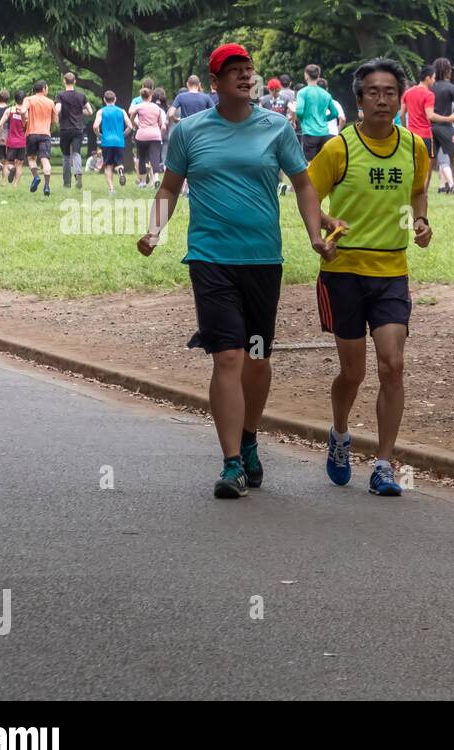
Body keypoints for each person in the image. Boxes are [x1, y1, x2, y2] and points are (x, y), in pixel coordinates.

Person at [137, 43, 331, 499]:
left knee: (258, 357)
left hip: (263, 259)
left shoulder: (277, 127)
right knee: (228, 355)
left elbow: (302, 183)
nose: (245, 76)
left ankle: (248, 439)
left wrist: (314, 233)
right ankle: (230, 465)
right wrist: (153, 232)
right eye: (234, 71)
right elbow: (169, 187)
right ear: (215, 84)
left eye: (249, 69)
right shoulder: (189, 131)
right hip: (210, 259)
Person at [307, 57, 432, 497]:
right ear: (358, 100)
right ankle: (340, 433)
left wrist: (420, 222)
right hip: (343, 273)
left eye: (390, 92)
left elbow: (418, 191)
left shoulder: (415, 147)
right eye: (373, 93)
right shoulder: (340, 148)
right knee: (353, 372)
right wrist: (325, 227)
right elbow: (308, 196)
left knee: (393, 365)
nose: (383, 99)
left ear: (400, 99)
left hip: (391, 272)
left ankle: (384, 464)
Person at [424, 57, 454, 198]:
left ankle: (423, 193)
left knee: (429, 163)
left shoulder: (429, 87)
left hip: (429, 127)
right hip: (445, 126)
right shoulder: (450, 87)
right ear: (447, 70)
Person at [292, 64, 339, 162]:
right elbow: (335, 113)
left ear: (306, 75)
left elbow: (299, 111)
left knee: (309, 164)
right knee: (322, 163)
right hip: (325, 133)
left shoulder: (302, 92)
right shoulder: (326, 94)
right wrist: (324, 119)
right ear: (318, 76)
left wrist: (303, 120)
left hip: (309, 133)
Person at [54, 72, 91, 190]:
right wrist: (80, 112)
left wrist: (54, 114)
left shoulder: (60, 95)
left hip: (65, 128)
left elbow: (58, 109)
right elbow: (90, 111)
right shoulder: (81, 96)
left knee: (66, 156)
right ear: (75, 82)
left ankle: (67, 183)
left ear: (64, 81)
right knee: (76, 153)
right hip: (78, 128)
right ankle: (78, 173)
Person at [21, 80, 56, 196]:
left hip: (31, 133)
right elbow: (55, 120)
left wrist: (24, 121)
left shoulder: (28, 99)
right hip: (45, 134)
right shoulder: (51, 102)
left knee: (31, 158)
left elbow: (22, 111)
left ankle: (36, 177)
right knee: (45, 160)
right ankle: (46, 186)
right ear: (44, 89)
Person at [93, 90, 132, 194]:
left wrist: (99, 135)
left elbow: (95, 126)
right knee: (119, 163)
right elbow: (130, 126)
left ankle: (111, 189)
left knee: (108, 165)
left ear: (104, 100)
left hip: (106, 142)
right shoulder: (122, 111)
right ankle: (120, 171)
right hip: (119, 141)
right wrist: (123, 135)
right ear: (115, 99)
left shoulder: (101, 111)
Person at [401, 66, 436, 179]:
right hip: (425, 135)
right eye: (434, 78)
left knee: (412, 164)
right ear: (427, 78)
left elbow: (401, 114)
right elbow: (430, 116)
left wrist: (405, 129)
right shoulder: (429, 94)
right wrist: (449, 119)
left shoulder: (408, 93)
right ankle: (422, 193)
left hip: (411, 135)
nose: (434, 81)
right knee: (425, 167)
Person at [129, 87, 166, 187]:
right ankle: (156, 178)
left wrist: (137, 124)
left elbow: (131, 118)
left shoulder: (138, 107)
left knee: (142, 157)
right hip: (155, 135)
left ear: (141, 96)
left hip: (141, 135)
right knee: (155, 158)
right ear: (150, 97)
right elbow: (161, 123)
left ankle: (144, 181)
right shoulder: (157, 108)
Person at [0, 90, 26, 186]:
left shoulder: (9, 110)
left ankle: (5, 181)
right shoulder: (26, 113)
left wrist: (2, 136)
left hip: (11, 142)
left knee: (9, 162)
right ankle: (15, 185)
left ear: (14, 99)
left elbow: (0, 124)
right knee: (19, 164)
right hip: (22, 142)